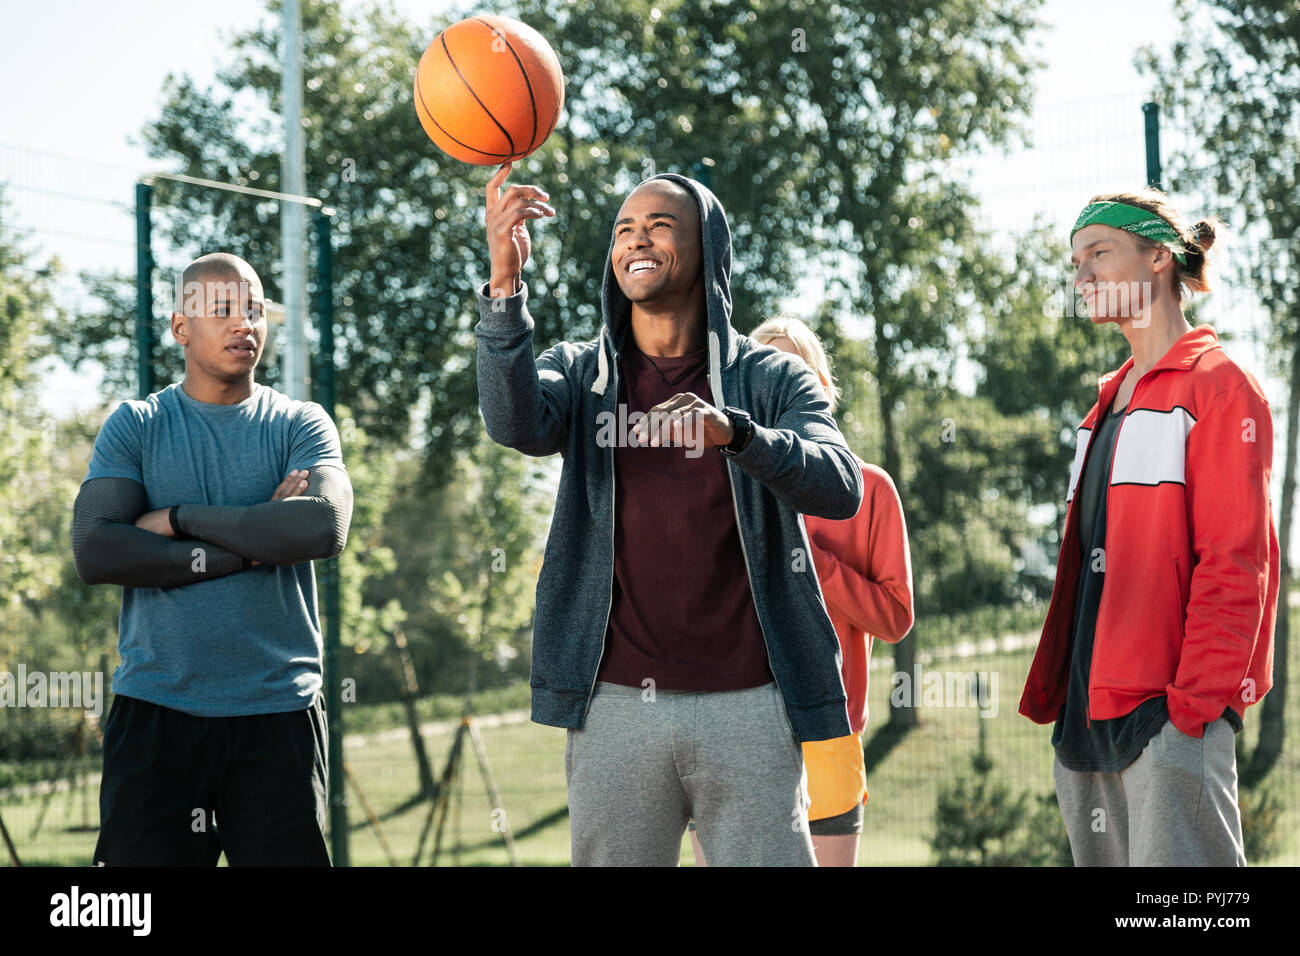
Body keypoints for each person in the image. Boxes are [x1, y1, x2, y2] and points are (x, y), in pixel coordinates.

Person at [476, 164, 864, 866]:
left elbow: (839, 485)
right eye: (624, 229)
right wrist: (504, 288)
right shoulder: (582, 374)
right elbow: (514, 423)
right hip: (617, 706)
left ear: (707, 251)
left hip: (750, 703)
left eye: (659, 225)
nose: (636, 240)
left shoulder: (771, 378)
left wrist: (739, 436)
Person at [1019, 191, 1279, 866]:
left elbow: (1235, 562)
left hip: (1166, 720)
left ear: (1158, 256)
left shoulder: (1221, 387)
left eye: (1099, 254)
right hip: (1084, 724)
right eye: (1075, 263)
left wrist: (1190, 711)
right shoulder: (1104, 403)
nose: (1083, 277)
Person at [73, 252, 353, 866]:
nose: (244, 324)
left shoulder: (301, 424)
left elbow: (323, 525)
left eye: (254, 310)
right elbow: (96, 549)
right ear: (180, 328)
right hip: (157, 715)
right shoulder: (137, 424)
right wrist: (256, 542)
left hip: (277, 712)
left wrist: (176, 519)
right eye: (222, 310)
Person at [688, 316, 914, 867]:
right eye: (761, 373)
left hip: (829, 732)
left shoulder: (870, 488)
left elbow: (894, 618)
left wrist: (810, 562)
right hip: (727, 730)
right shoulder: (710, 492)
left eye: (792, 372)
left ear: (821, 391)